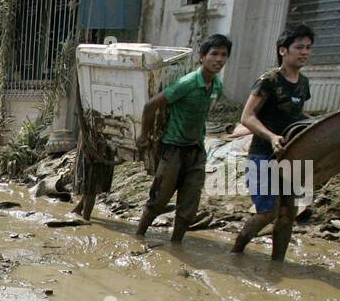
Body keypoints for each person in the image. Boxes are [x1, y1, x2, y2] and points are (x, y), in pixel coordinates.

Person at [134, 34, 232, 244]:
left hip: (196, 150)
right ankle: (138, 236)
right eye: (214, 54)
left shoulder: (216, 86)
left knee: (189, 205)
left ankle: (176, 244)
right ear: (202, 57)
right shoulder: (187, 83)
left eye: (224, 55)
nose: (219, 59)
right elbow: (151, 105)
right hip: (173, 149)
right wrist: (144, 135)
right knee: (159, 199)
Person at [231, 24, 314, 261]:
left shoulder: (304, 83)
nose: (304, 52)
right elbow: (247, 116)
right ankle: (235, 252)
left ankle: (278, 263)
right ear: (283, 51)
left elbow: (295, 115)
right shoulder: (268, 80)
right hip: (263, 154)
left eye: (308, 48)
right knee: (268, 212)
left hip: (293, 154)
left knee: (289, 212)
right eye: (299, 47)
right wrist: (271, 136)